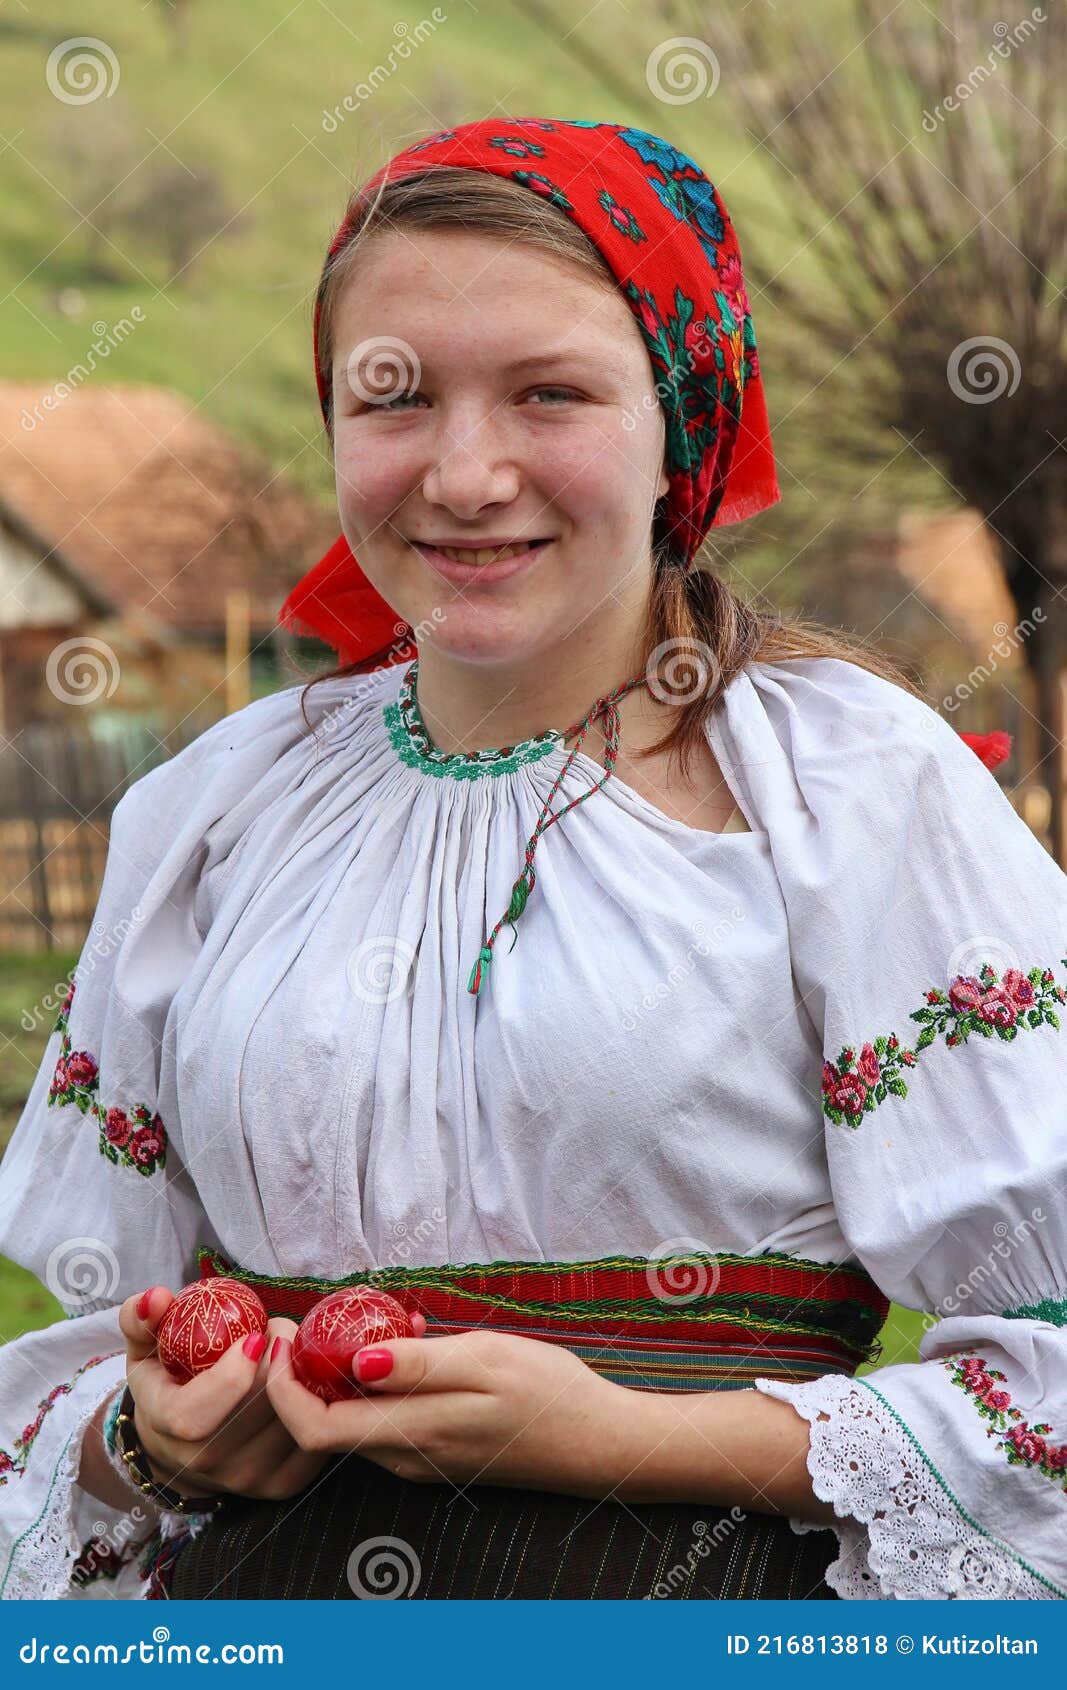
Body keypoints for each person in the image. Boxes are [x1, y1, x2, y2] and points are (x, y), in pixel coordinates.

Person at [0, 115, 1064, 1603]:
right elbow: (66, 1368)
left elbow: (1053, 1376)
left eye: (551, 392)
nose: (466, 471)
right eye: (394, 396)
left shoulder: (849, 789)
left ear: (677, 419)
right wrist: (160, 1435)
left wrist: (626, 1434)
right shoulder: (214, 811)